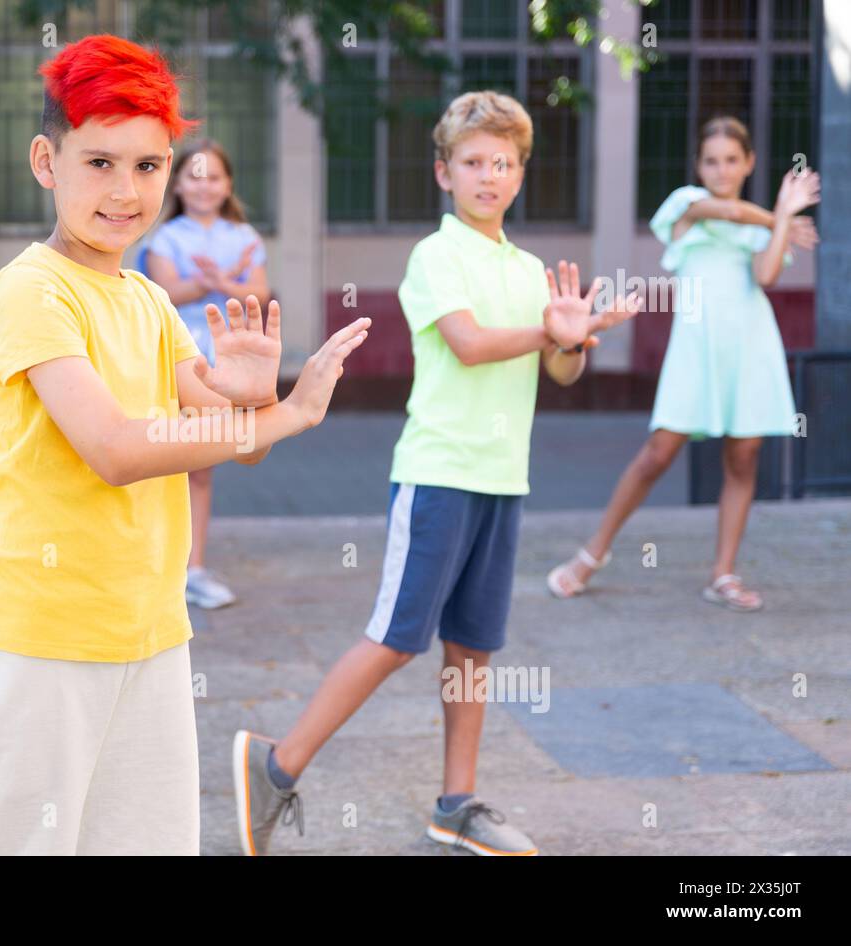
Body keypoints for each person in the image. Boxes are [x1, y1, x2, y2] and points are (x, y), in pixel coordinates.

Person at [0, 34, 370, 856]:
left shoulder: (147, 300)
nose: (125, 191)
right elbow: (117, 449)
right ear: (45, 160)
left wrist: (254, 396)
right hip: (42, 636)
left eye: (148, 166)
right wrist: (282, 415)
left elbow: (235, 448)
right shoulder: (30, 289)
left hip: (152, 630)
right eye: (99, 162)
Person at [232, 90, 641, 857]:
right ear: (444, 173)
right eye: (474, 162)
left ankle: (455, 805)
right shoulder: (435, 255)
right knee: (395, 639)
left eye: (505, 163)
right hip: (439, 472)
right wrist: (547, 329)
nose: (490, 175)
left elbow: (559, 373)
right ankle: (275, 765)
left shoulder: (528, 269)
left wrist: (574, 340)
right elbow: (471, 343)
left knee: (474, 648)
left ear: (521, 174)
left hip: (501, 479)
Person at [547, 116, 819, 612]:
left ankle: (724, 573)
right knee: (657, 453)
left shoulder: (763, 228)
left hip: (750, 347)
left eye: (732, 160)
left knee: (743, 459)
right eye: (711, 160)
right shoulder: (686, 203)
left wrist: (779, 222)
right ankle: (590, 555)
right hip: (696, 350)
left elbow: (766, 276)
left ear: (749, 163)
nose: (721, 169)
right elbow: (717, 209)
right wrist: (777, 213)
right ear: (698, 164)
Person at [146, 137, 270, 609]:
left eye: (213, 176)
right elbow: (163, 293)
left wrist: (223, 283)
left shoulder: (246, 238)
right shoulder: (165, 237)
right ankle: (161, 566)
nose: (203, 185)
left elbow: (256, 295)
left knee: (200, 470)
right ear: (177, 181)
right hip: (173, 363)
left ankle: (192, 568)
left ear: (228, 183)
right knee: (161, 463)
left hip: (222, 369)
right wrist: (214, 282)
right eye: (194, 175)